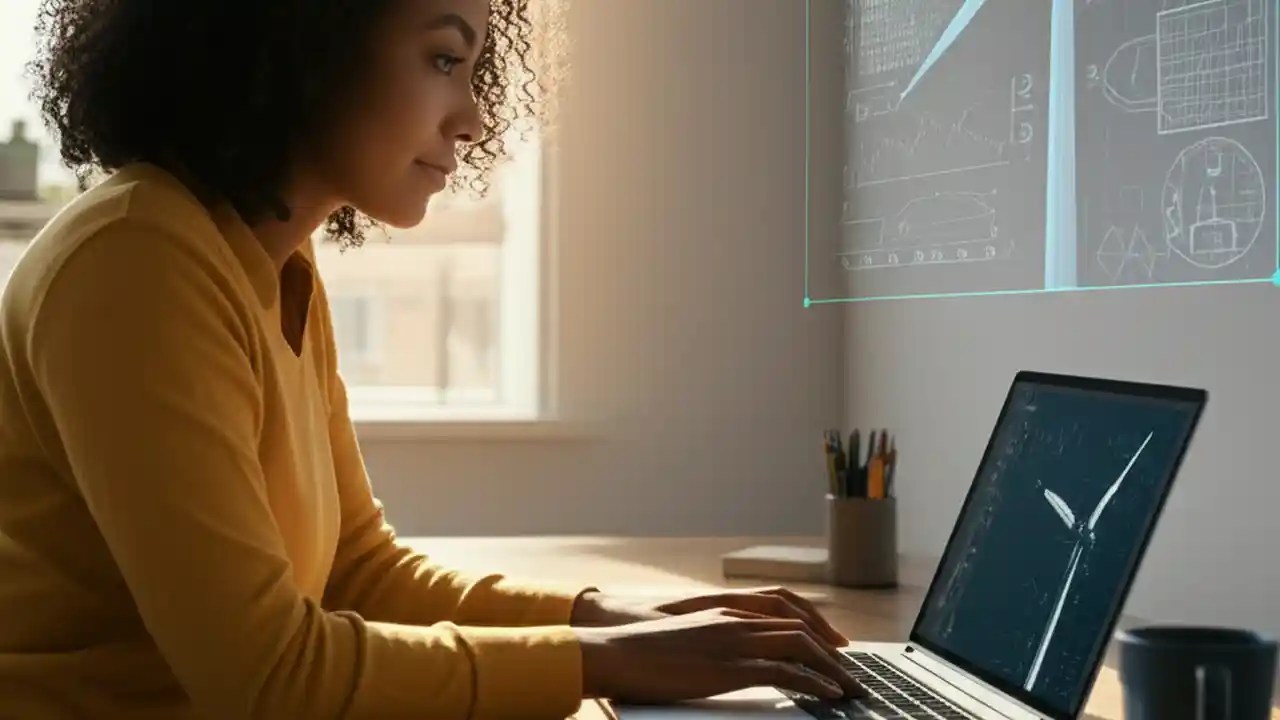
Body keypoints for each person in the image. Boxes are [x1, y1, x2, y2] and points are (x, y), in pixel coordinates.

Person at [0, 0, 864, 717]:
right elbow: (267, 677)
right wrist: (600, 660)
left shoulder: (270, 263)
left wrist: (606, 616)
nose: (475, 116)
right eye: (444, 60)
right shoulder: (136, 262)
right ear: (304, 38)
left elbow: (358, 571)